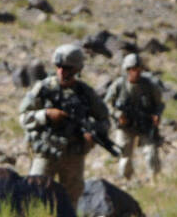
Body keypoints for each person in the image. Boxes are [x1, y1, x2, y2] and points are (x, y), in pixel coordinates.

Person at [18, 43, 111, 206]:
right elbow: (23, 117)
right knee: (35, 192)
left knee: (71, 196)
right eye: (59, 67)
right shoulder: (43, 88)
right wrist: (45, 115)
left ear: (77, 70)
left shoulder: (85, 93)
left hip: (74, 154)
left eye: (67, 68)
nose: (62, 71)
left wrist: (94, 134)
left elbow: (104, 119)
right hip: (46, 152)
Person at [104, 52, 165, 180]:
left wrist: (156, 115)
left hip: (145, 124)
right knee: (124, 155)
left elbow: (159, 104)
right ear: (127, 70)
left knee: (151, 152)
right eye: (132, 69)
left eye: (138, 69)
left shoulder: (150, 85)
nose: (136, 72)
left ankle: (155, 179)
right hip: (125, 126)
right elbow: (107, 104)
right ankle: (127, 180)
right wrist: (118, 114)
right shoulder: (119, 85)